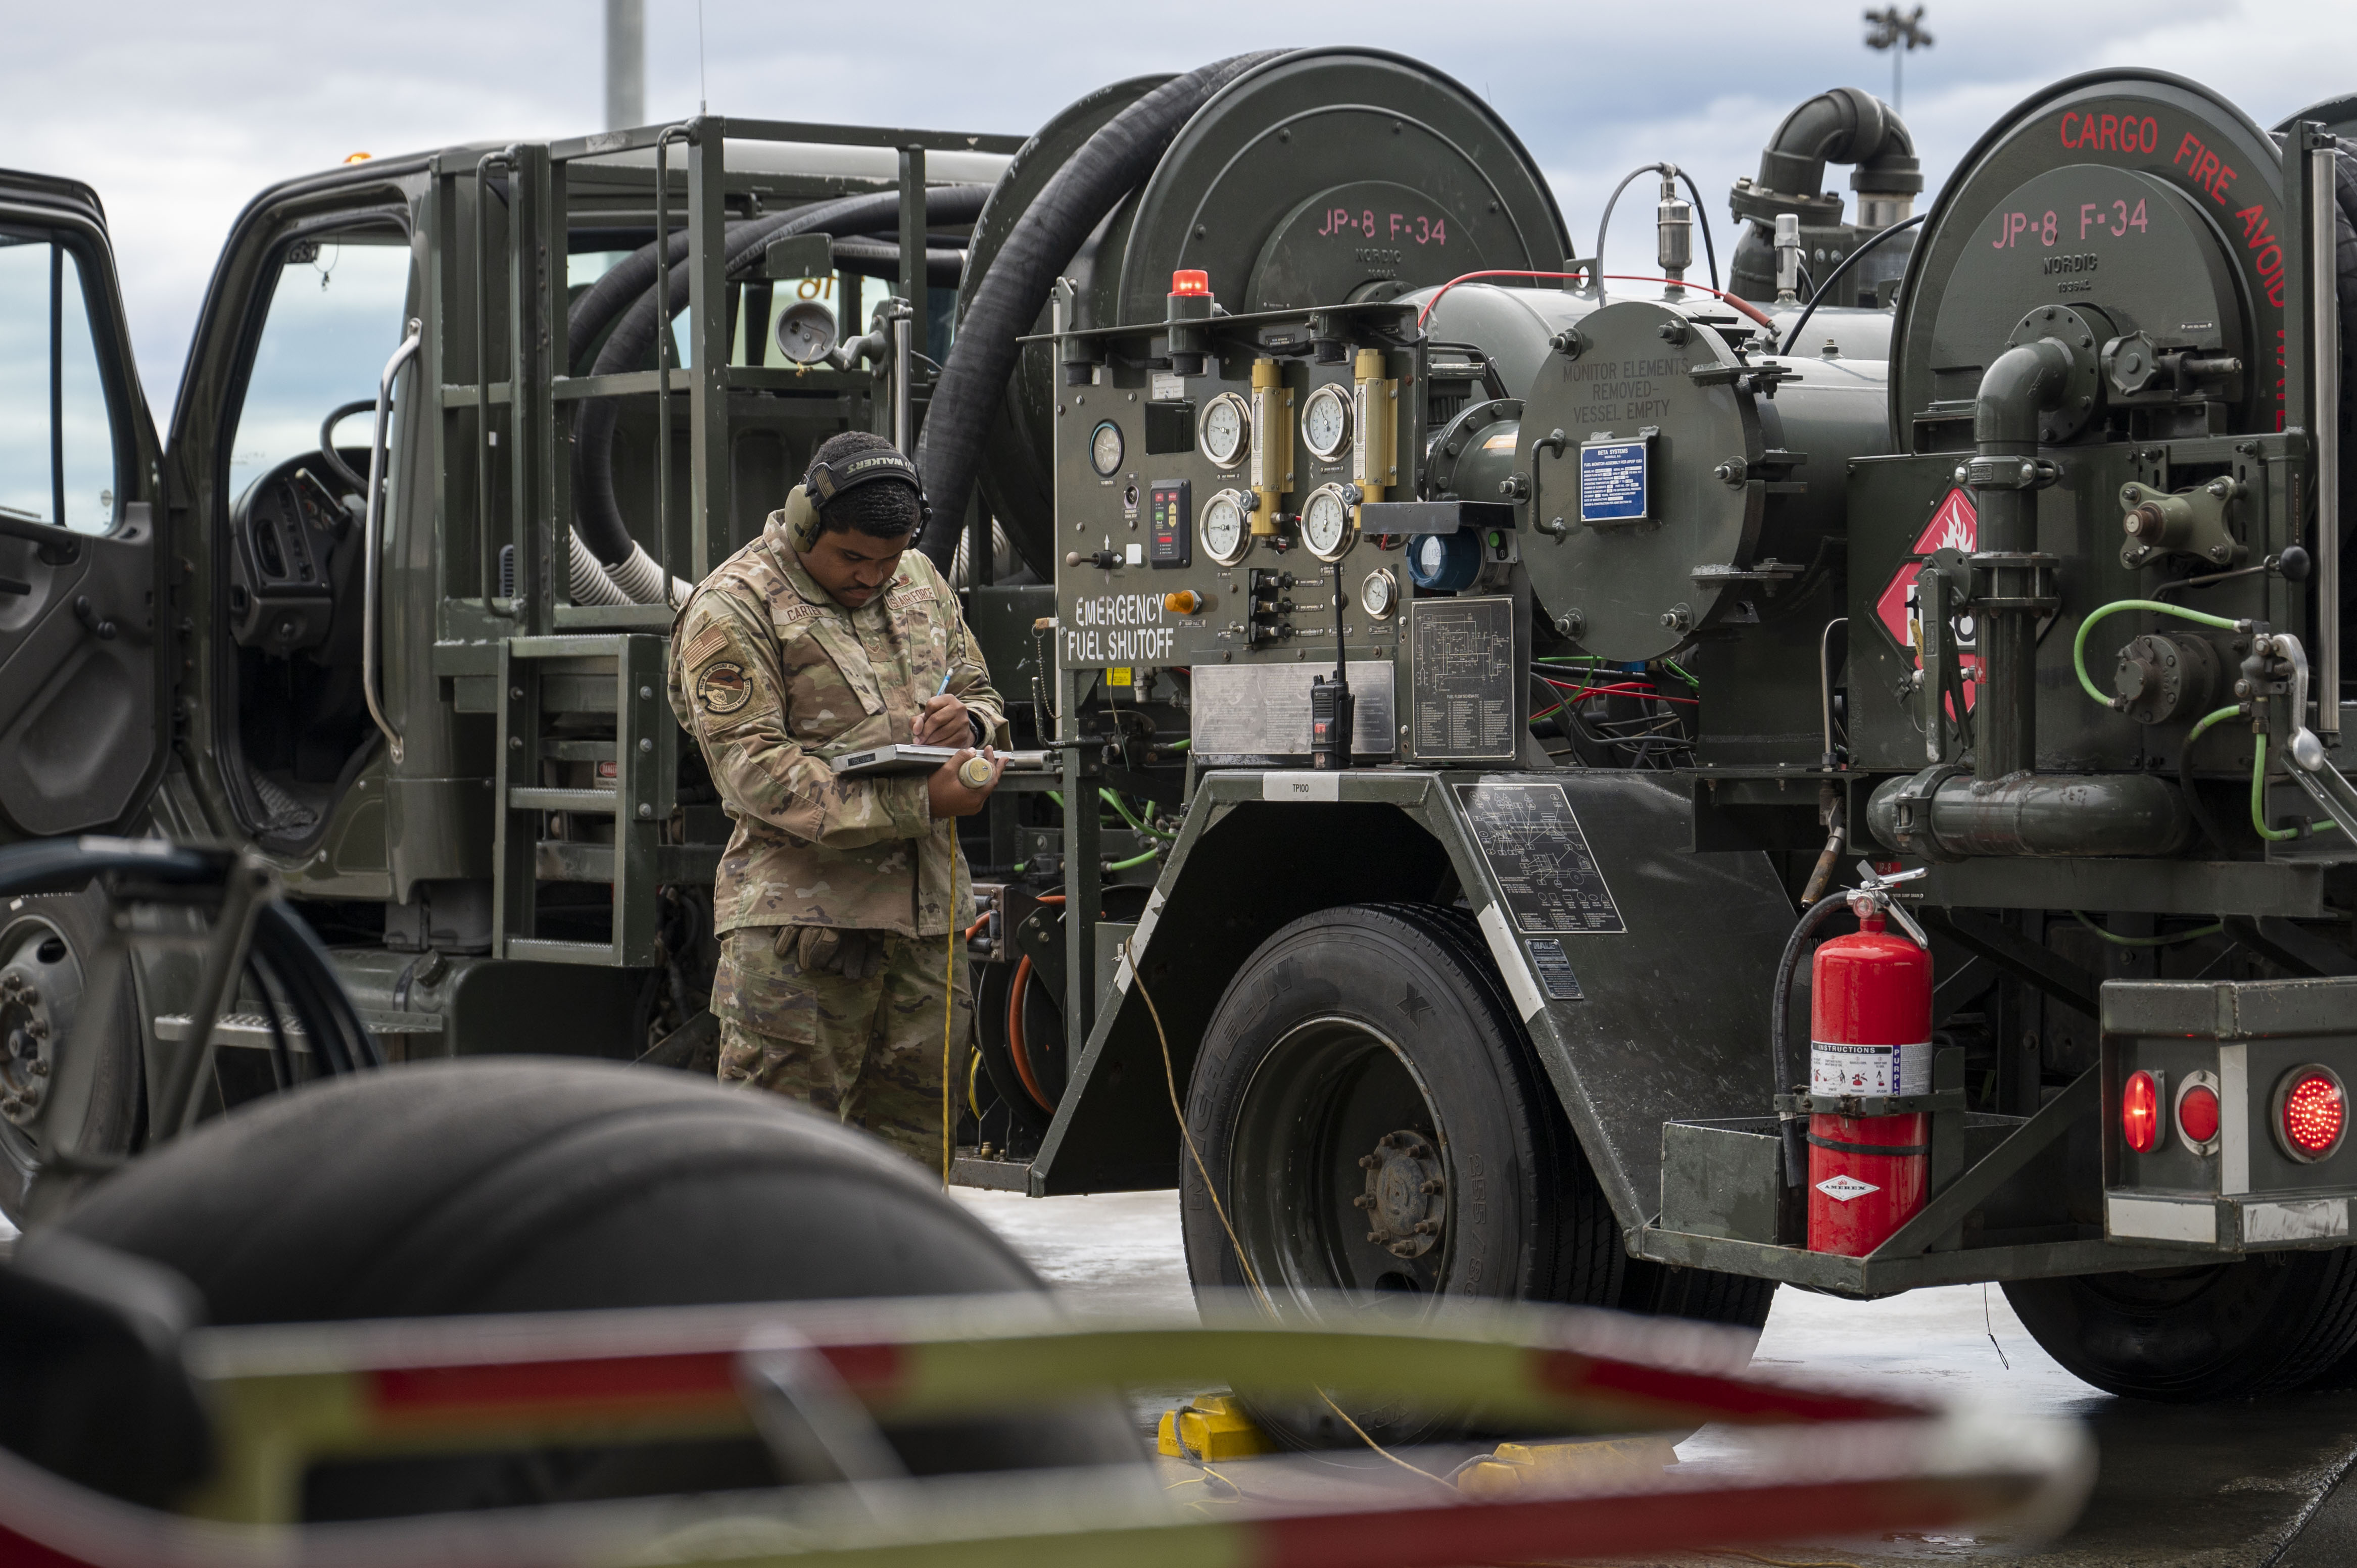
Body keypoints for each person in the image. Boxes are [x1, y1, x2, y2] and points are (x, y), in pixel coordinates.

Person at [666, 430, 1005, 1167]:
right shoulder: (733, 607)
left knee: (913, 1179)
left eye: (887, 559)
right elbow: (754, 771)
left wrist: (966, 723)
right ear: (804, 523)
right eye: (852, 558)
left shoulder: (916, 578)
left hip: (925, 934)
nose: (871, 577)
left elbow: (979, 690)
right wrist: (923, 804)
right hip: (801, 942)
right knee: (777, 1179)